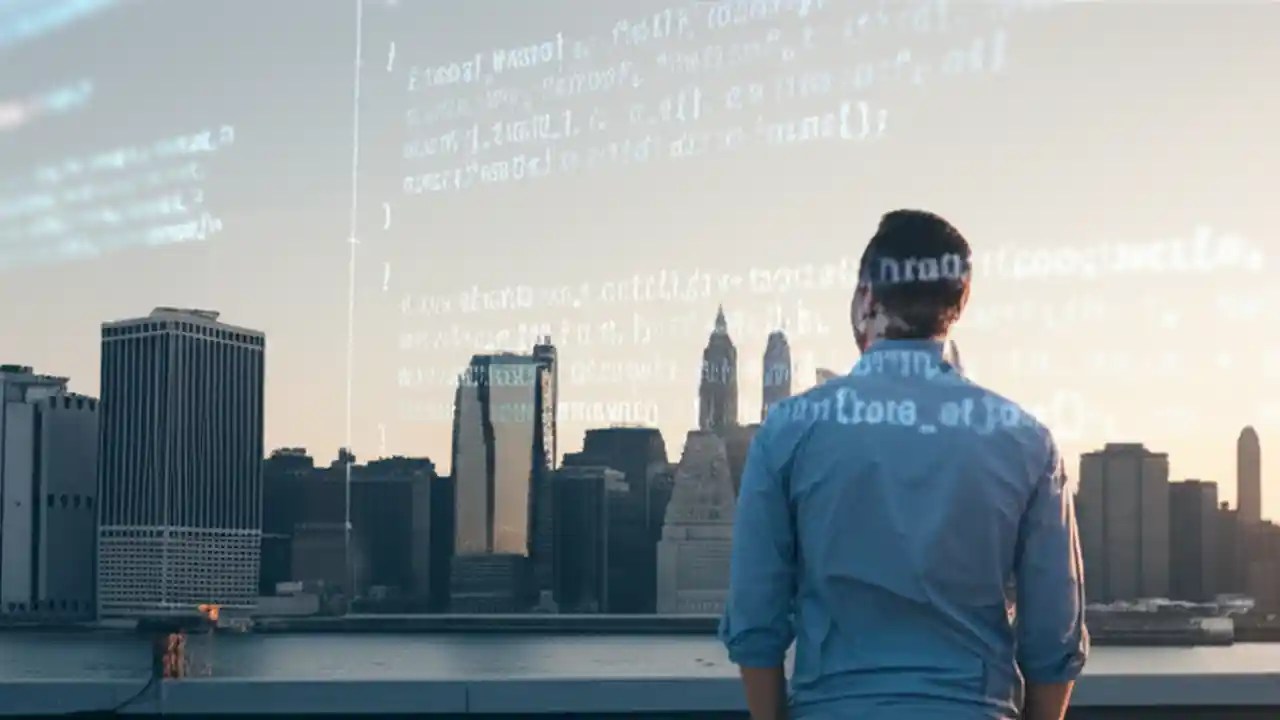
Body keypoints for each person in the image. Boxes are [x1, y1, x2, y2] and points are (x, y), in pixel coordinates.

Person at [719, 209, 1088, 720]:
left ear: (866, 297)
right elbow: (1054, 638)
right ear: (960, 303)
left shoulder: (787, 431)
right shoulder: (1026, 441)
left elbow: (755, 622)